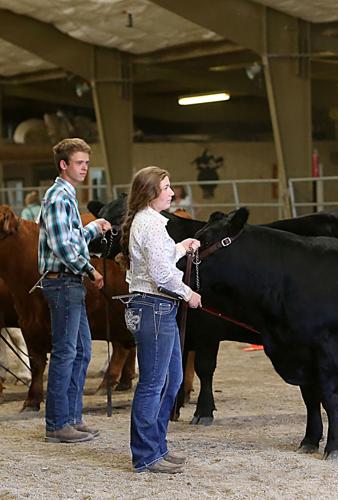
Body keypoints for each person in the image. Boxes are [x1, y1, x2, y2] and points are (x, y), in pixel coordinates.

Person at [118, 166, 202, 474]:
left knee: (172, 379)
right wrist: (188, 293)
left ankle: (156, 445)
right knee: (154, 383)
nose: (171, 192)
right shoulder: (150, 224)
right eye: (166, 187)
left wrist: (181, 246)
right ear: (151, 192)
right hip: (154, 307)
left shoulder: (151, 222)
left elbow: (159, 259)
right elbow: (161, 274)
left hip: (157, 308)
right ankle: (145, 454)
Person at [38, 138, 111, 443]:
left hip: (68, 282)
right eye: (79, 163)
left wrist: (94, 227)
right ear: (63, 165)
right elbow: (62, 245)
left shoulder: (66, 196)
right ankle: (57, 424)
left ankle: (71, 417)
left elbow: (71, 237)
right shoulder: (58, 197)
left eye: (86, 163)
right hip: (63, 282)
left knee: (81, 350)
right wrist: (89, 269)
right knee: (66, 351)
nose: (84, 168)